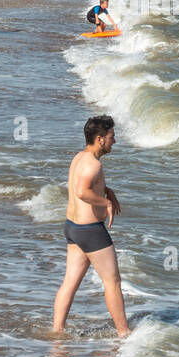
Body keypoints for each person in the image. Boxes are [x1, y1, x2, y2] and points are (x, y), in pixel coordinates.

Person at [52, 115, 131, 338]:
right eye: (111, 137)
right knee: (113, 281)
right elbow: (81, 191)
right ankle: (124, 333)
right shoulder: (94, 164)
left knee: (70, 282)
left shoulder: (80, 158)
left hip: (72, 228)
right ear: (99, 139)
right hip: (91, 232)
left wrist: (108, 191)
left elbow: (85, 184)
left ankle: (57, 332)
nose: (114, 141)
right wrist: (105, 202)